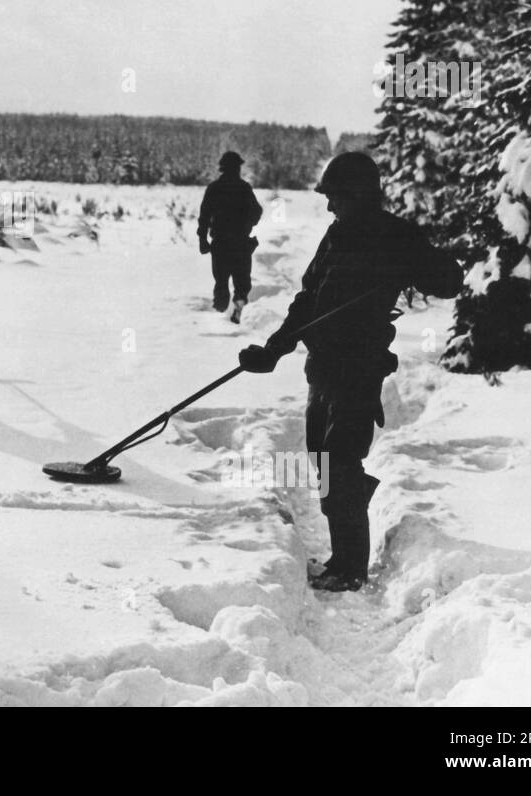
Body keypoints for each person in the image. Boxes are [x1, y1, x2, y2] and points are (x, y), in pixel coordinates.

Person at [237, 152, 463, 592]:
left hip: (359, 367)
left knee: (341, 457)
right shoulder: (337, 235)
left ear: (357, 195)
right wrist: (274, 348)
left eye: (335, 196)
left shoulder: (396, 235)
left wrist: (421, 262)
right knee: (324, 459)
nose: (329, 206)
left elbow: (449, 281)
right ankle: (345, 549)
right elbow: (308, 300)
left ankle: (351, 567)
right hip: (322, 366)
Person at [198, 150, 263, 323]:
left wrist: (203, 240)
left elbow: (204, 217)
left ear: (222, 168)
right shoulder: (244, 188)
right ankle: (237, 310)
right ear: (237, 168)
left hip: (220, 244)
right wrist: (247, 225)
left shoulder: (214, 188)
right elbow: (257, 212)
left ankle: (219, 316)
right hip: (240, 244)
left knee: (221, 282)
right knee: (242, 283)